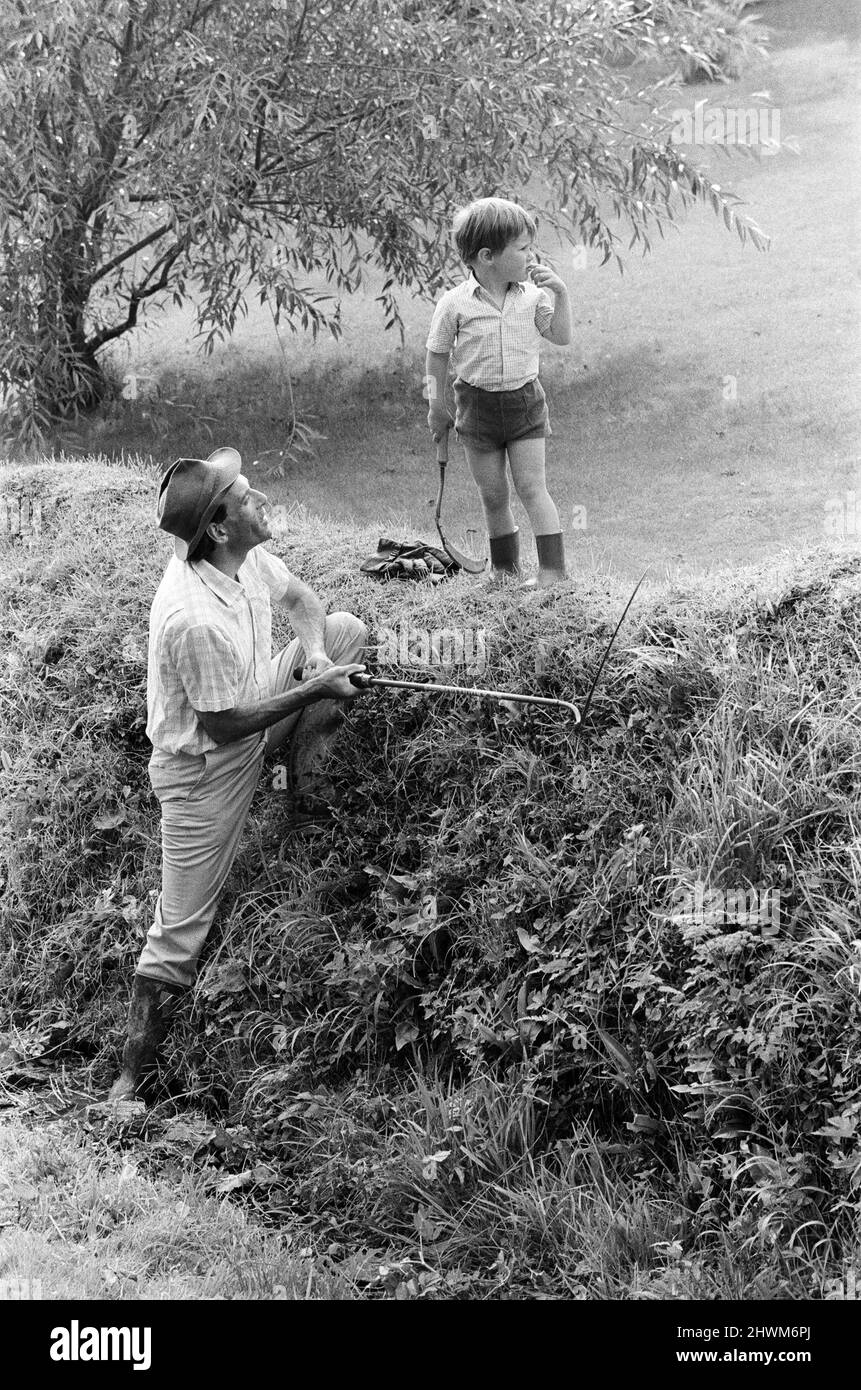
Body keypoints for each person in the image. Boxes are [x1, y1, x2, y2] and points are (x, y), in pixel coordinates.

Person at [109, 447, 368, 1101]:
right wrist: (314, 693)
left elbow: (303, 599)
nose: (261, 501)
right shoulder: (191, 618)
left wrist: (312, 658)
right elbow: (224, 726)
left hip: (250, 709)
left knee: (342, 630)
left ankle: (300, 804)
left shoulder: (242, 556)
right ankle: (128, 1085)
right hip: (204, 769)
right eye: (247, 497)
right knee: (178, 931)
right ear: (220, 528)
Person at [425, 196, 572, 587]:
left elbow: (561, 336)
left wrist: (562, 295)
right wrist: (436, 406)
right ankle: (505, 571)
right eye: (523, 249)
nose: (531, 256)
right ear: (488, 256)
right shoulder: (455, 304)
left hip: (524, 404)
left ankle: (553, 572)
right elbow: (436, 357)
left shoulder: (534, 298)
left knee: (531, 487)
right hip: (476, 409)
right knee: (493, 495)